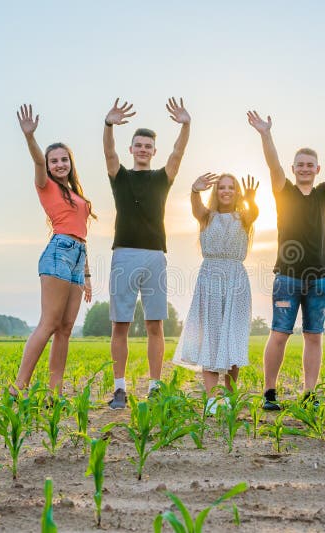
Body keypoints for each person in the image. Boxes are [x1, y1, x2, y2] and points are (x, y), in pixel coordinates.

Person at [247, 109, 325, 410]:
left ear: (317, 168)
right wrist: (266, 134)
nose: (305, 169)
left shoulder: (324, 193)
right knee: (279, 333)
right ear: (293, 168)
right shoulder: (283, 191)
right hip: (287, 278)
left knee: (313, 337)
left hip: (319, 278)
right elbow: (272, 165)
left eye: (310, 165)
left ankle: (310, 394)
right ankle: (269, 393)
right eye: (300, 165)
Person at [103, 97, 191, 409]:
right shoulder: (120, 176)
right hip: (124, 254)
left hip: (155, 255)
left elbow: (178, 154)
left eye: (148, 146)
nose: (142, 149)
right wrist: (108, 124)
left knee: (155, 324)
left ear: (154, 151)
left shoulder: (161, 179)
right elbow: (109, 153)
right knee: (120, 325)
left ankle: (155, 386)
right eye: (138, 145)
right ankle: (119, 389)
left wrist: (186, 125)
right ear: (131, 149)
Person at [12, 104, 95, 396]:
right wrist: (30, 137)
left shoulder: (75, 194)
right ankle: (18, 387)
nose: (59, 164)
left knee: (66, 328)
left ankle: (54, 393)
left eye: (64, 159)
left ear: (70, 162)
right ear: (47, 166)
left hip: (77, 257)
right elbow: (37, 161)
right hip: (59, 253)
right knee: (49, 324)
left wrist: (87, 275)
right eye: (54, 161)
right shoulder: (45, 185)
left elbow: (83, 234)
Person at [172, 173, 259, 414]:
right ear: (216, 191)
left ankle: (230, 400)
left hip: (236, 281)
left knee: (232, 339)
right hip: (210, 279)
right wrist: (194, 190)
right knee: (209, 338)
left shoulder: (243, 218)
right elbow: (196, 207)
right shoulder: (207, 217)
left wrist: (250, 199)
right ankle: (211, 401)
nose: (226, 191)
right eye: (222, 187)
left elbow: (254, 213)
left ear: (237, 191)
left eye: (231, 187)